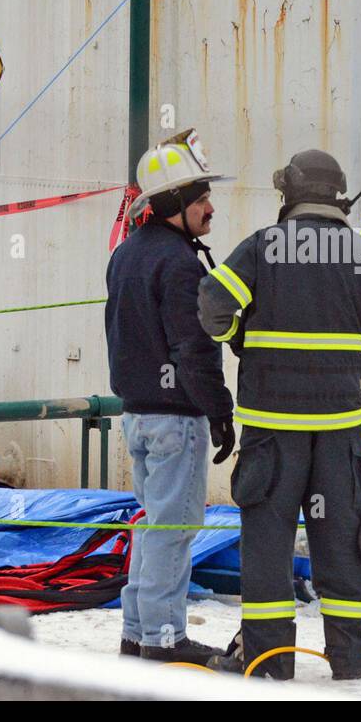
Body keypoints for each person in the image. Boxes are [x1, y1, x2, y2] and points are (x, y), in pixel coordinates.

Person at [198, 150, 361, 680]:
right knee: (345, 543)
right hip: (339, 428)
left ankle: (268, 659)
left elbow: (212, 303)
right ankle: (350, 657)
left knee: (267, 543)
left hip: (272, 427)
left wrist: (242, 339)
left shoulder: (263, 246)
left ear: (291, 194)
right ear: (338, 196)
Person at [105, 131, 237, 666]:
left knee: (155, 523)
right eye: (201, 198)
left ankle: (138, 632)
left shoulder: (128, 254)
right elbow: (194, 348)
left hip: (137, 413)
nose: (210, 207)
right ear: (175, 206)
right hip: (175, 418)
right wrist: (220, 410)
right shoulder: (181, 264)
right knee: (174, 527)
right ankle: (162, 637)